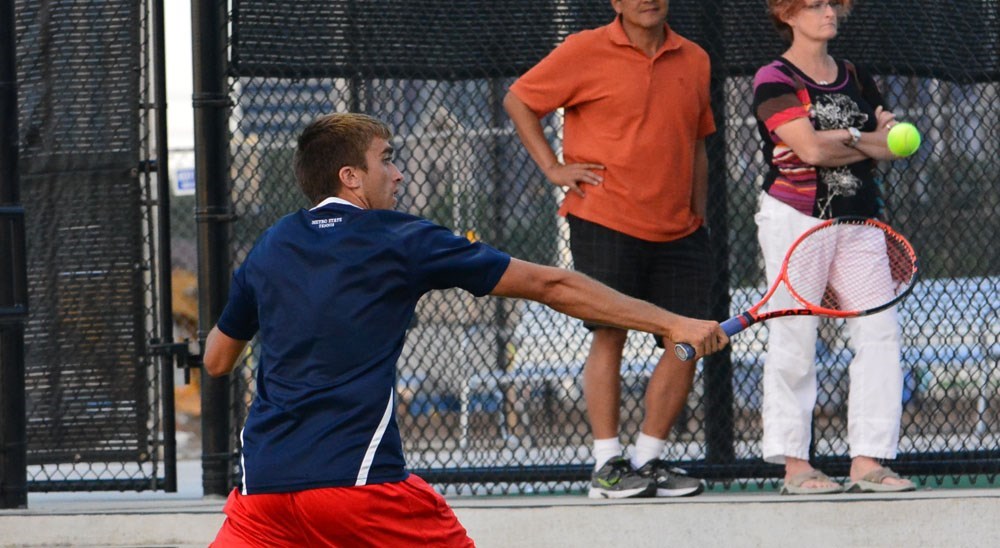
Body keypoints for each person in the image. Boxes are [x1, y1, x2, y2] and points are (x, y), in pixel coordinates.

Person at [204, 112, 728, 546]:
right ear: (351, 177)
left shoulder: (270, 245)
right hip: (360, 488)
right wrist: (671, 321)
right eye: (386, 159)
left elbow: (216, 360)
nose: (399, 172)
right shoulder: (400, 237)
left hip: (262, 497)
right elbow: (550, 285)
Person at [503, 0, 716, 498]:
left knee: (686, 343)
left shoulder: (696, 59)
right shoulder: (583, 49)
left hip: (681, 229)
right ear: (615, 2)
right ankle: (607, 465)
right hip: (604, 217)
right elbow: (519, 100)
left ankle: (647, 460)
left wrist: (697, 215)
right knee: (609, 334)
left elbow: (698, 143)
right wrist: (554, 169)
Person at [752, 0, 915, 494]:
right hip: (796, 218)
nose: (829, 13)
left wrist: (850, 137)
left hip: (859, 220)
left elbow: (892, 147)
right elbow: (810, 149)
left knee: (880, 333)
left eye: (831, 4)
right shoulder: (773, 77)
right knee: (794, 339)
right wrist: (863, 135)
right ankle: (795, 466)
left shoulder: (854, 75)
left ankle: (868, 461)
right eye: (815, 4)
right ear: (787, 14)